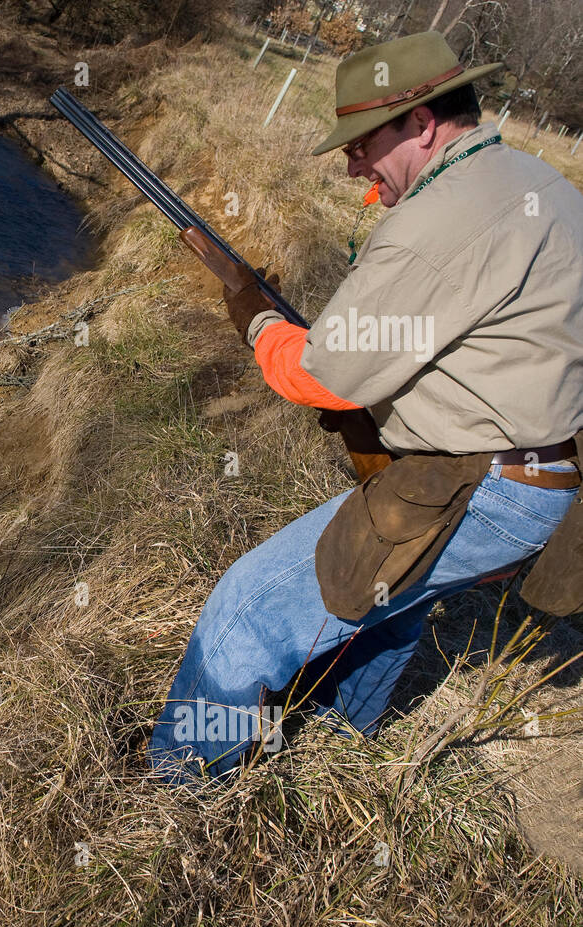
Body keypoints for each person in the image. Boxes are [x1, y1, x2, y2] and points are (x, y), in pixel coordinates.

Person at [146, 31, 583, 782]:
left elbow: (319, 376)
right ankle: (342, 748)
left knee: (244, 608)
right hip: (549, 478)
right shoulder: (546, 188)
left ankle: (177, 786)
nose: (351, 165)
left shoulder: (441, 219)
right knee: (396, 595)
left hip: (486, 487)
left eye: (359, 143)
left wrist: (254, 315)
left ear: (421, 123)